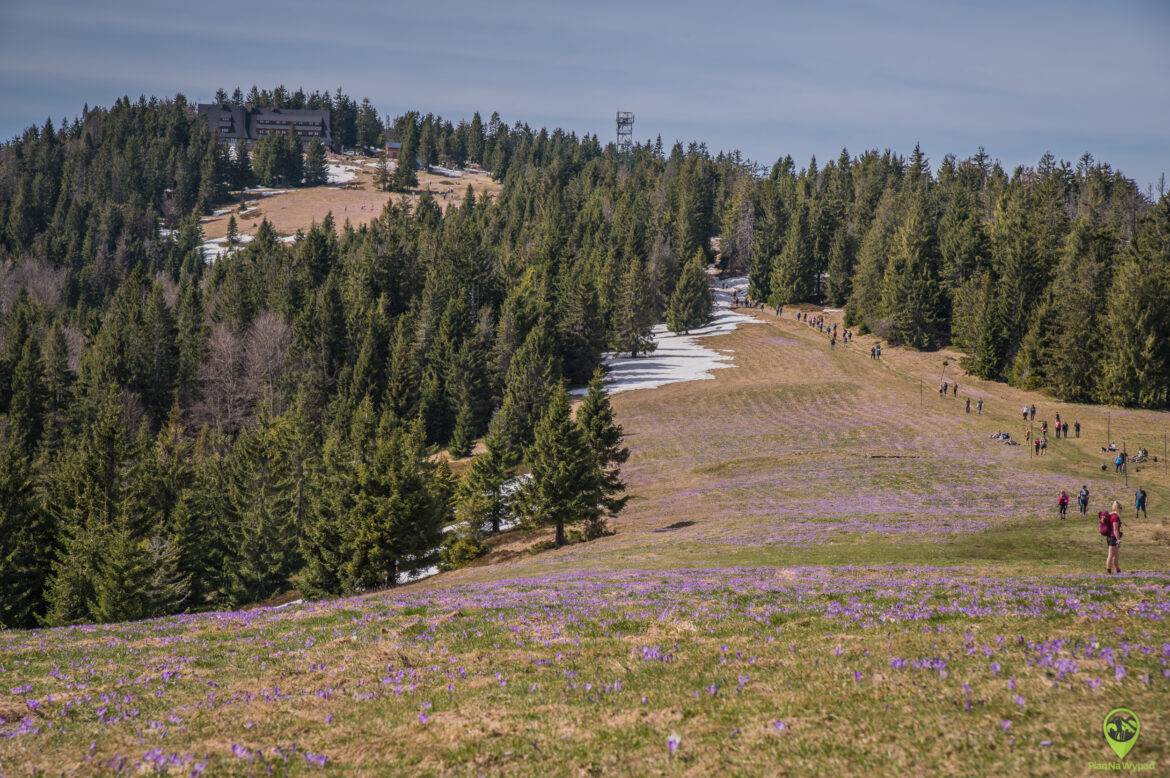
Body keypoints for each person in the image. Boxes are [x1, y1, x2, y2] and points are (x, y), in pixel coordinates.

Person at [1104, 501, 1122, 574]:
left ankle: (1118, 570)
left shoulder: (1110, 515)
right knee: (1111, 555)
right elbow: (1115, 529)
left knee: (1116, 555)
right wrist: (1118, 539)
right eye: (1121, 507)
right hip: (1113, 537)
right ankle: (1108, 571)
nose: (1121, 509)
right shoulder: (1115, 517)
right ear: (1118, 508)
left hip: (1109, 537)